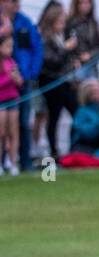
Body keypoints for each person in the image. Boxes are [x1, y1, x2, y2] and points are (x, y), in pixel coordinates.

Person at [1, 0, 42, 171]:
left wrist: (30, 73)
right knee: (2, 129)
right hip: (3, 85)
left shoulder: (25, 22)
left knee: (22, 123)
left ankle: (23, 161)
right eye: (11, 1)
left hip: (22, 81)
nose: (15, 5)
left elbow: (36, 48)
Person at [37, 2, 78, 160]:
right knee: (54, 116)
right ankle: (53, 152)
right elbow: (50, 61)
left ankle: (74, 148)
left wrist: (73, 60)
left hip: (65, 81)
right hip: (51, 81)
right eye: (60, 20)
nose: (63, 23)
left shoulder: (63, 35)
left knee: (76, 112)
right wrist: (66, 48)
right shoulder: (45, 37)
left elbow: (65, 58)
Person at [65, 0, 99, 82]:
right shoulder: (69, 23)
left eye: (87, 3)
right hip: (75, 66)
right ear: (76, 5)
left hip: (92, 64)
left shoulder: (94, 23)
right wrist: (73, 60)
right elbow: (63, 47)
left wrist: (90, 55)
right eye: (81, 3)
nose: (84, 6)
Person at [0, 32, 21, 174]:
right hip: (1, 101)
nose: (10, 49)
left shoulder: (12, 62)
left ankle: (13, 163)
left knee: (13, 132)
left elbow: (20, 82)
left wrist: (17, 79)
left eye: (11, 46)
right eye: (7, 46)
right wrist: (9, 78)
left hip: (13, 99)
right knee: (1, 133)